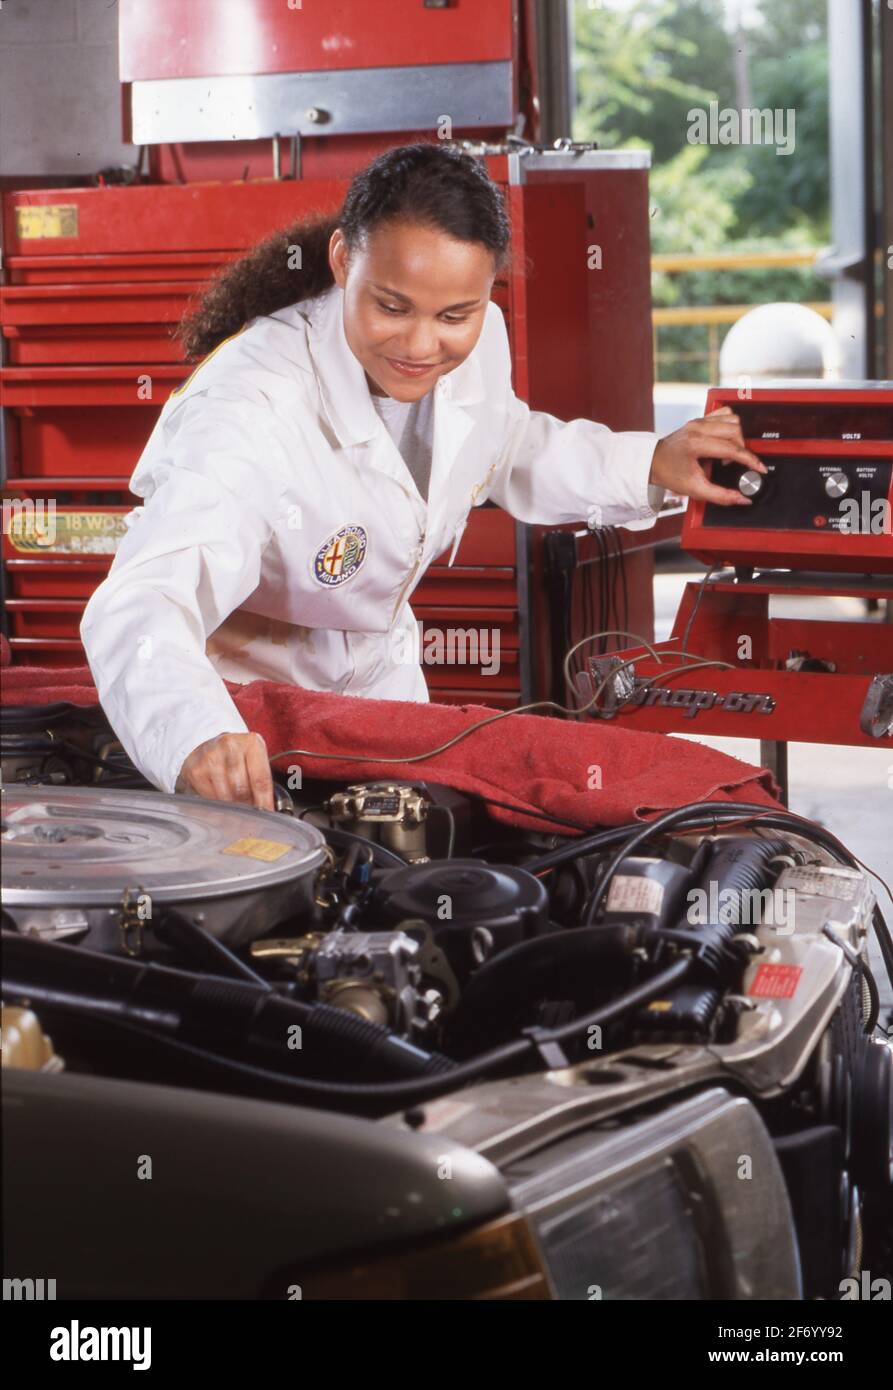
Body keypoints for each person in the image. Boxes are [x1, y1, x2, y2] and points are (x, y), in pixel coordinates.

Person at [81, 142, 764, 810]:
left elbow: (505, 442)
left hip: (382, 692)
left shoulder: (482, 337)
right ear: (344, 258)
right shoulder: (248, 405)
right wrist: (195, 733)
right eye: (392, 306)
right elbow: (142, 601)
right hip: (246, 717)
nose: (420, 345)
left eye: (453, 316)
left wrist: (649, 462)